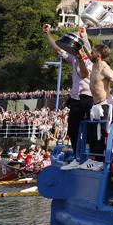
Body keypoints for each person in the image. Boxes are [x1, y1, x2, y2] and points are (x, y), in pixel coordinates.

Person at [43, 24, 92, 158]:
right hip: (76, 98)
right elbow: (58, 48)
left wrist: (81, 57)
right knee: (72, 129)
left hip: (89, 98)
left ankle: (95, 157)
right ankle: (77, 156)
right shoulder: (73, 58)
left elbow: (84, 74)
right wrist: (48, 34)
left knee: (92, 129)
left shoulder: (92, 61)